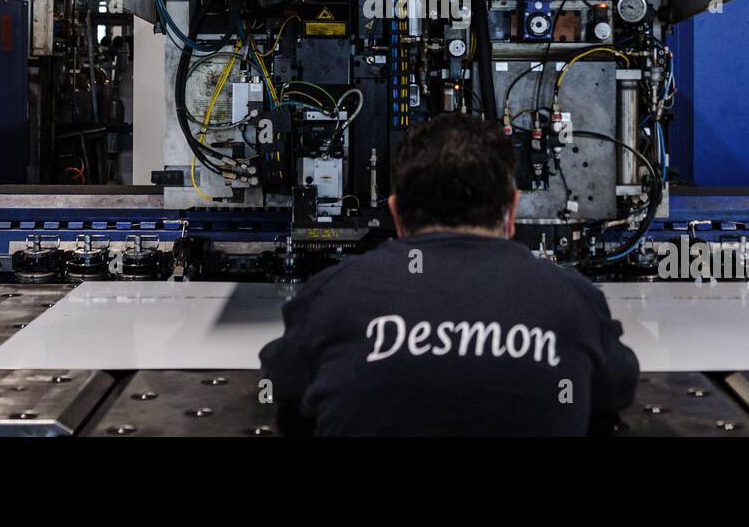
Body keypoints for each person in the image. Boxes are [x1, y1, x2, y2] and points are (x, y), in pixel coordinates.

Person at [258, 113, 639, 436]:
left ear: (396, 212)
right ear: (511, 211)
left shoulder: (330, 295)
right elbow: (617, 391)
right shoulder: (573, 300)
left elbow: (281, 391)